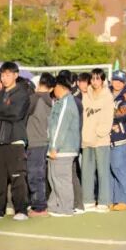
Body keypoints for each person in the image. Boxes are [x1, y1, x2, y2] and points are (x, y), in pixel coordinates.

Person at [0, 61, 33, 220]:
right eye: (2, 75)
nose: (5, 78)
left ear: (16, 75)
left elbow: (16, 114)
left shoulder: (22, 93)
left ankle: (21, 210)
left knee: (17, 177)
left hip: (15, 140)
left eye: (8, 75)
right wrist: (2, 111)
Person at [46, 70, 80, 217]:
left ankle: (66, 208)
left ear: (60, 86)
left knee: (61, 179)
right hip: (58, 148)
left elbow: (60, 127)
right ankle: (54, 205)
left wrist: (54, 147)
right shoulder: (61, 102)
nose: (53, 90)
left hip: (63, 148)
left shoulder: (67, 102)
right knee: (53, 178)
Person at [80, 68, 114, 212]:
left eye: (98, 78)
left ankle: (104, 201)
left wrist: (99, 132)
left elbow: (108, 118)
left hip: (101, 140)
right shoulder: (85, 95)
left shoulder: (107, 96)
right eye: (93, 78)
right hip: (86, 138)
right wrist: (85, 133)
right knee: (87, 171)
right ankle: (88, 200)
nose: (95, 81)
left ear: (103, 80)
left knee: (102, 171)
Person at [25, 73, 54, 217]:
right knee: (40, 174)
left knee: (34, 175)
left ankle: (39, 207)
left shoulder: (34, 99)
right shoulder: (52, 101)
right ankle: (39, 203)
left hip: (34, 141)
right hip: (46, 141)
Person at [108, 70, 126, 211]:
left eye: (120, 81)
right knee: (111, 169)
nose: (117, 83)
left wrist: (104, 111)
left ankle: (125, 199)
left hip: (119, 137)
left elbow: (120, 114)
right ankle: (114, 199)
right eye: (115, 80)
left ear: (124, 83)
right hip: (108, 137)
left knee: (120, 167)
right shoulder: (108, 93)